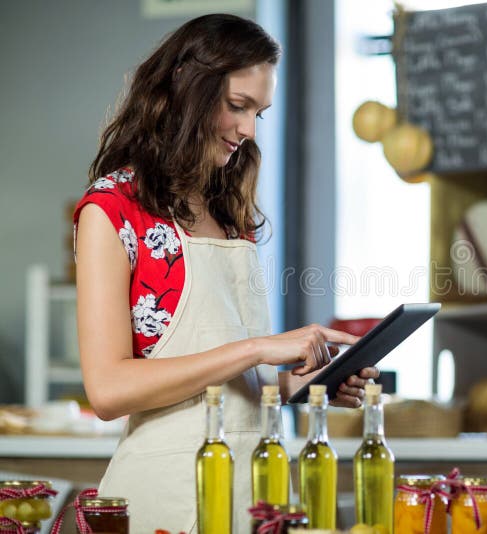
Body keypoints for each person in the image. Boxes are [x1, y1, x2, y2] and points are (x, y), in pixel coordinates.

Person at [73, 14, 378, 532]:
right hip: (169, 496)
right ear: (185, 91)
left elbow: (231, 381)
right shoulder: (113, 210)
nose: (248, 130)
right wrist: (259, 348)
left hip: (255, 492)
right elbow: (107, 390)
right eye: (238, 107)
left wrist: (298, 383)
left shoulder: (228, 213)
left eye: (259, 112)